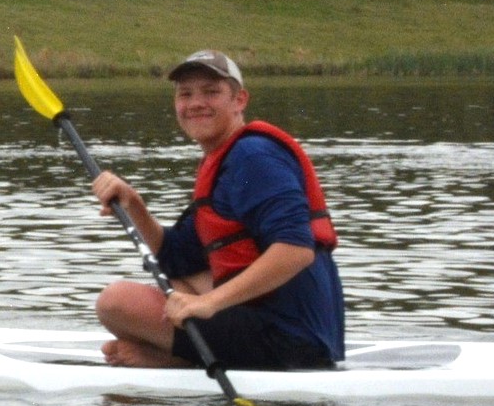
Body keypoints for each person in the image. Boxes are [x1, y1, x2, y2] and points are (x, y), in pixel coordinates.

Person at [89, 49, 344, 371]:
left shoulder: (254, 157)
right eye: (186, 94)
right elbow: (174, 256)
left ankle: (177, 359)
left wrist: (208, 303)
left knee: (116, 301)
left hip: (292, 344)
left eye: (211, 92)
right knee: (178, 277)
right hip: (278, 330)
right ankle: (182, 355)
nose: (196, 103)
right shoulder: (224, 160)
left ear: (239, 100)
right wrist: (134, 205)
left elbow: (296, 249)